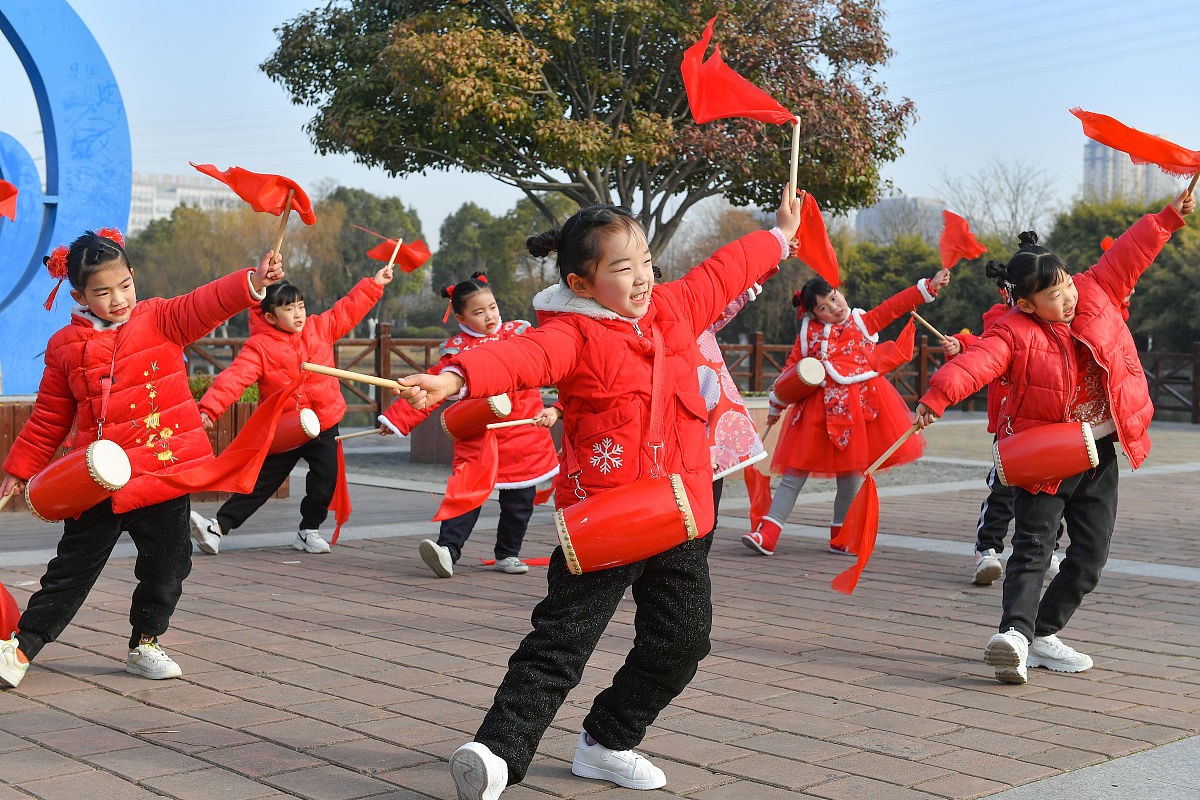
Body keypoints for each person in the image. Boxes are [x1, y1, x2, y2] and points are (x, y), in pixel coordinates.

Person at [396, 189, 801, 800]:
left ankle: (608, 740)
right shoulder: (574, 334)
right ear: (582, 284)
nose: (641, 277)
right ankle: (496, 755)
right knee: (561, 640)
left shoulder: (674, 306)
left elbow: (725, 271)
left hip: (684, 508)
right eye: (621, 268)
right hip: (606, 517)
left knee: (684, 640)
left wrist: (779, 235)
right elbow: (521, 356)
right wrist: (456, 377)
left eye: (643, 260)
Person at [915, 190, 1194, 685]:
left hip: (1099, 451)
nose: (1066, 299)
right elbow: (976, 363)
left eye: (1066, 286)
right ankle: (1015, 638)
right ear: (1024, 302)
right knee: (1032, 548)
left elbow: (1128, 252)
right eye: (1053, 295)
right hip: (1045, 455)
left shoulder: (1097, 289)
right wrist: (936, 397)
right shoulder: (1012, 330)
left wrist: (1167, 218)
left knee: (1090, 556)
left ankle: (1044, 633)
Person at [0, 229, 285, 689]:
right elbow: (50, 417)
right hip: (96, 479)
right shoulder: (63, 347)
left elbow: (206, 302)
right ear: (78, 295)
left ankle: (145, 643)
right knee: (71, 571)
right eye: (102, 292)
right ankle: (20, 649)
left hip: (161, 472)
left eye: (124, 286)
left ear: (134, 276)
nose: (118, 300)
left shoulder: (162, 318)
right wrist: (19, 468)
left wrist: (252, 281)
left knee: (169, 564)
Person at [742, 267, 950, 556]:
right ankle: (768, 533)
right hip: (813, 411)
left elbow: (894, 306)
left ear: (839, 292)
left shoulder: (862, 321)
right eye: (824, 308)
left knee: (851, 475)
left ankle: (842, 536)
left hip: (855, 410)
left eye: (834, 299)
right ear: (814, 314)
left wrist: (928, 286)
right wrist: (778, 403)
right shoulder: (807, 334)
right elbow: (792, 369)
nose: (834, 308)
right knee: (793, 474)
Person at [188, 265, 392, 555]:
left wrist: (375, 284)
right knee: (262, 484)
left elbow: (349, 309)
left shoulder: (320, 328)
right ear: (270, 316)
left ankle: (308, 531)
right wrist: (209, 410)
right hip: (284, 428)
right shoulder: (259, 347)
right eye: (288, 309)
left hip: (323, 424)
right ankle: (216, 527)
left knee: (325, 479)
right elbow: (234, 379)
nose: (298, 314)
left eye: (301, 306)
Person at [377, 272, 559, 577]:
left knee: (520, 502)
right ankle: (447, 550)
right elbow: (430, 390)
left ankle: (508, 553)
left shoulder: (520, 336)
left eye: (492, 307)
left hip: (523, 434)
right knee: (465, 493)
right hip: (477, 436)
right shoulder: (456, 353)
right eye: (478, 312)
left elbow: (553, 366)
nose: (489, 316)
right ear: (460, 316)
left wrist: (559, 409)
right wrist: (395, 419)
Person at [944, 285, 1064, 586]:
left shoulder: (1060, 313)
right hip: (1012, 422)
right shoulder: (1000, 317)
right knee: (1003, 488)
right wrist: (963, 344)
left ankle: (1047, 549)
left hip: (1050, 421)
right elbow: (990, 345)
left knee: (1051, 490)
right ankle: (987, 551)